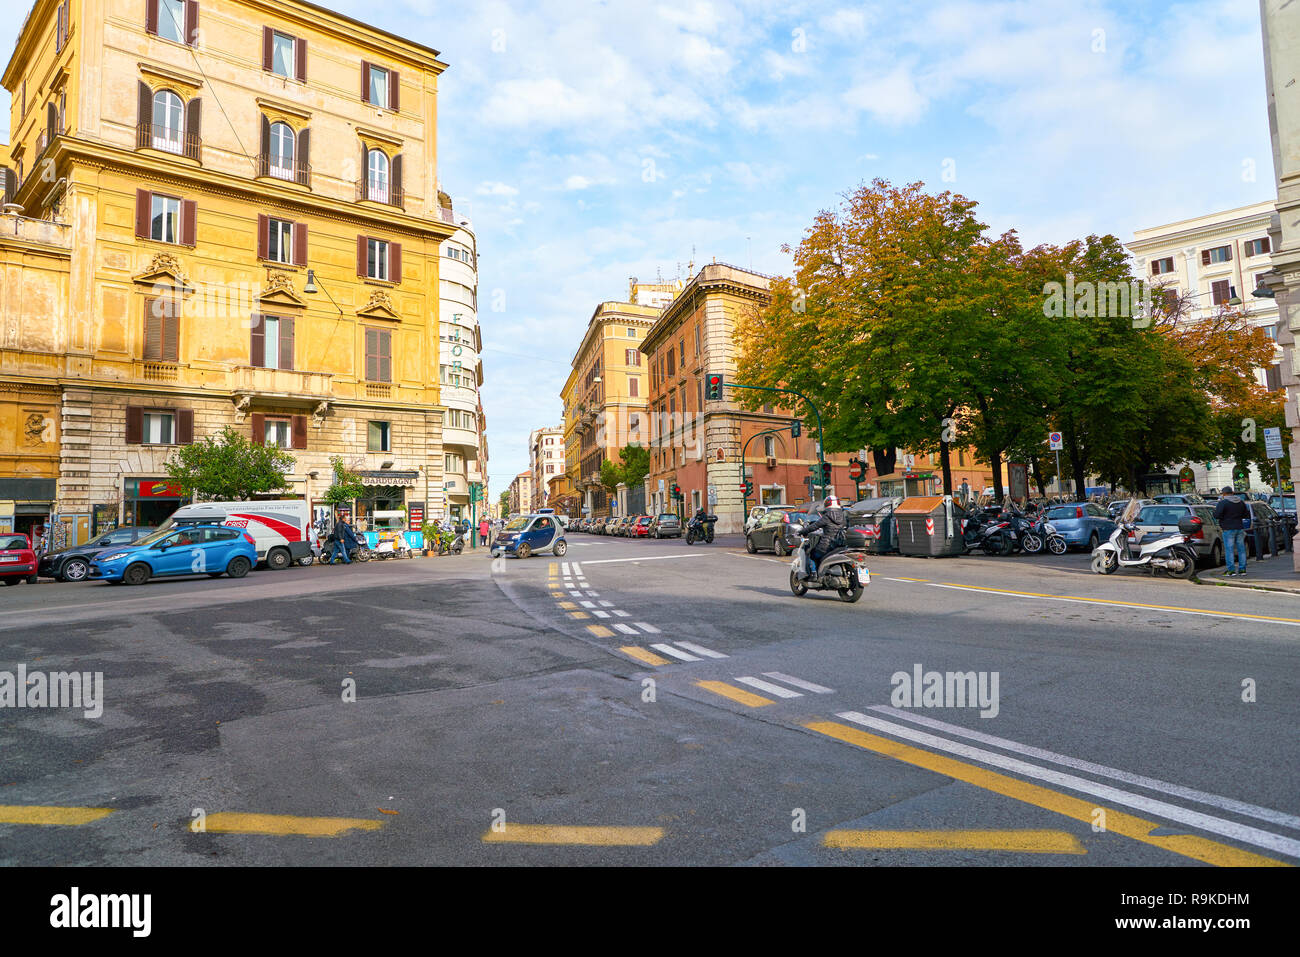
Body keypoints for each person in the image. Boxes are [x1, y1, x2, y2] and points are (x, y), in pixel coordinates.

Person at [799, 495, 847, 578]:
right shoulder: (844, 516)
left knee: (811, 554)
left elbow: (814, 526)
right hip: (840, 544)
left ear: (827, 504)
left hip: (827, 545)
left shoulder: (827, 517)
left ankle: (813, 573)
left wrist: (802, 531)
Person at [1214, 486, 1250, 577]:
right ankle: (1242, 569)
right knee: (1241, 549)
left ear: (1224, 494)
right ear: (1232, 493)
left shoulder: (1223, 503)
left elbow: (1217, 515)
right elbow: (1246, 514)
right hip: (1239, 527)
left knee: (1229, 550)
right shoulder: (1240, 502)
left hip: (1228, 528)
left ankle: (1231, 570)